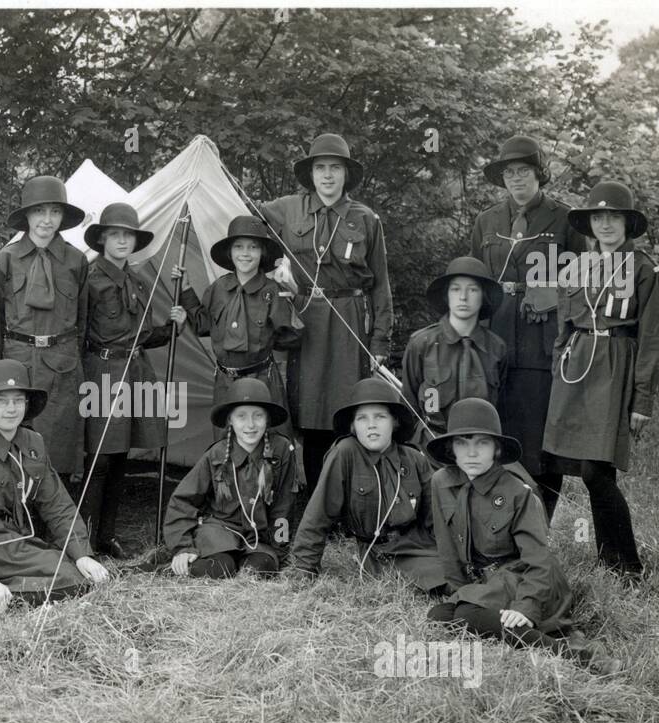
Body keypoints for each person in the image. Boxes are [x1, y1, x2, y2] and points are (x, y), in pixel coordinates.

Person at [425, 398, 620, 673]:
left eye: (481, 443)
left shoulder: (518, 491)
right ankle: (495, 619)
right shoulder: (441, 482)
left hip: (526, 578)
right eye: (462, 443)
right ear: (450, 449)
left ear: (496, 449)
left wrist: (525, 608)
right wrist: (463, 592)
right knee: (440, 616)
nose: (471, 453)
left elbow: (539, 559)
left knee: (469, 614)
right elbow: (448, 549)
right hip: (489, 582)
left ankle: (573, 656)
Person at [544, 181, 659, 582]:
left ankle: (628, 565)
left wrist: (641, 400)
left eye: (613, 217)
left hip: (614, 366)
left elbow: (651, 339)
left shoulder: (645, 269)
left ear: (628, 223)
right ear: (589, 223)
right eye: (598, 217)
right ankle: (606, 560)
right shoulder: (575, 266)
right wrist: (558, 362)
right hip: (575, 364)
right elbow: (563, 324)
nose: (605, 225)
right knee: (570, 464)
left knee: (598, 469)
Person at [260, 133, 393, 491]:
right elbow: (245, 212)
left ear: (346, 174)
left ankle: (353, 496)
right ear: (312, 173)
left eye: (335, 168)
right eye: (321, 168)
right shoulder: (290, 208)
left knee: (347, 408)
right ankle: (318, 498)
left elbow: (380, 283)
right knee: (310, 410)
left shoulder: (366, 218)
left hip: (350, 316)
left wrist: (381, 339)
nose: (328, 176)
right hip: (306, 318)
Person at [470, 135, 589, 520]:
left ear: (539, 174)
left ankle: (540, 524)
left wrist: (549, 292)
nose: (516, 179)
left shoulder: (564, 219)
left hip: (543, 344)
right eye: (509, 172)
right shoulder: (486, 221)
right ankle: (498, 521)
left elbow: (584, 283)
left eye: (524, 171)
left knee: (540, 438)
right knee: (496, 430)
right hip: (496, 338)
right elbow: (473, 280)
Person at [0, 359, 110, 616]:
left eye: (18, 400)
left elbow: (57, 504)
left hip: (18, 542)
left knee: (77, 571)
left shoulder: (33, 443)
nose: (11, 409)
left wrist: (81, 554)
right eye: (2, 400)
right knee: (71, 581)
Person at [78, 202, 187, 559]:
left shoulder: (138, 281)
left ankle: (107, 535)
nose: (122, 241)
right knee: (100, 459)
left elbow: (144, 335)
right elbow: (79, 334)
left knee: (123, 456)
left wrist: (172, 326)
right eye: (115, 235)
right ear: (103, 240)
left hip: (137, 373)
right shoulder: (89, 281)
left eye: (128, 235)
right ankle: (86, 541)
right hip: (103, 373)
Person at [287, 378, 445, 593]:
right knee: (445, 581)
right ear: (353, 426)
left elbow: (436, 517)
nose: (371, 424)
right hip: (380, 551)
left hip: (418, 544)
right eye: (362, 418)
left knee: (459, 570)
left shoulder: (413, 458)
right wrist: (304, 569)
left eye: (380, 417)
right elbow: (319, 513)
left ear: (394, 422)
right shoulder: (345, 453)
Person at [0, 175, 90, 477]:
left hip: (62, 365)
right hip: (19, 362)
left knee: (58, 452)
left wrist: (67, 355)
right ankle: (17, 521)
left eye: (54, 212)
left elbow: (81, 319)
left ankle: (53, 522)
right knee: (15, 447)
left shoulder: (76, 260)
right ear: (26, 215)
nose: (47, 220)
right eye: (39, 211)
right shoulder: (6, 260)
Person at [179, 214, 301, 438]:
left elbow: (291, 336)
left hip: (261, 379)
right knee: (226, 441)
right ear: (230, 252)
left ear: (262, 252)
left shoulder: (272, 291)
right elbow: (201, 325)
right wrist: (186, 291)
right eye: (239, 247)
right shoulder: (218, 289)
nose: (245, 253)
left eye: (253, 247)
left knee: (268, 441)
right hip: (225, 382)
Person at [162, 378, 297, 578]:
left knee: (261, 570)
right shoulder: (216, 454)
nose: (250, 425)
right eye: (241, 416)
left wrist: (280, 550)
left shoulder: (282, 450)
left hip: (259, 537)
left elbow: (284, 506)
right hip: (219, 531)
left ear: (267, 420)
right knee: (221, 569)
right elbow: (182, 500)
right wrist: (182, 547)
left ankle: (254, 562)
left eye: (258, 416)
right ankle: (165, 566)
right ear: (230, 421)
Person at [401, 256, 508, 450]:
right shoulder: (421, 344)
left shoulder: (496, 348)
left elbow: (502, 407)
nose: (463, 297)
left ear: (483, 296)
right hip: (432, 447)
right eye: (456, 289)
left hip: (480, 450)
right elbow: (409, 406)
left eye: (473, 289)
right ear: (446, 295)